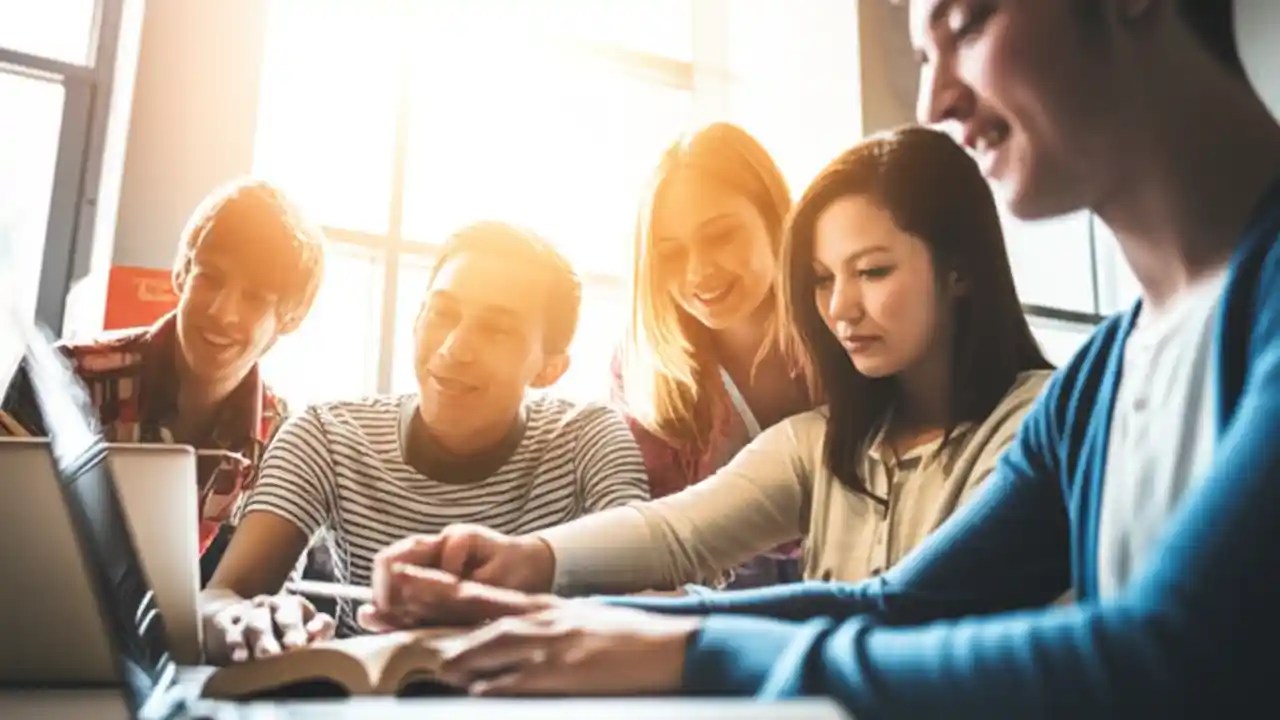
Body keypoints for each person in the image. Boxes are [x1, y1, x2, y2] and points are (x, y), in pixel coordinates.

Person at [359, 1, 1280, 715]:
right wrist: (542, 603)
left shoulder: (1097, 380)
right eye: (924, 55)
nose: (934, 102)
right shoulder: (1100, 385)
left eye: (965, 24)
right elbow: (895, 604)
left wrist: (684, 652)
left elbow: (1170, 658)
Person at [382, 126, 1053, 598]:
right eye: (821, 279)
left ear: (960, 271)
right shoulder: (818, 443)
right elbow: (674, 532)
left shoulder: (1047, 421)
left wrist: (676, 640)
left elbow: (914, 607)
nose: (840, 309)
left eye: (872, 271)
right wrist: (526, 558)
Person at [199, 221, 651, 663]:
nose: (454, 348)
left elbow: (649, 600)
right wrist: (247, 621)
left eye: (496, 329)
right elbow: (220, 598)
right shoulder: (325, 434)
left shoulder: (590, 437)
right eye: (442, 313)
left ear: (549, 368)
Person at [1, 178, 325, 573]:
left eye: (255, 297)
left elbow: (265, 591)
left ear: (290, 319)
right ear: (182, 273)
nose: (223, 312)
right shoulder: (60, 380)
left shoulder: (285, 441)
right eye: (211, 278)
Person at [614, 122, 815, 587]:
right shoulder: (643, 368)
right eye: (671, 253)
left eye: (721, 236)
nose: (699, 271)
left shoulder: (846, 325)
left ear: (775, 219)